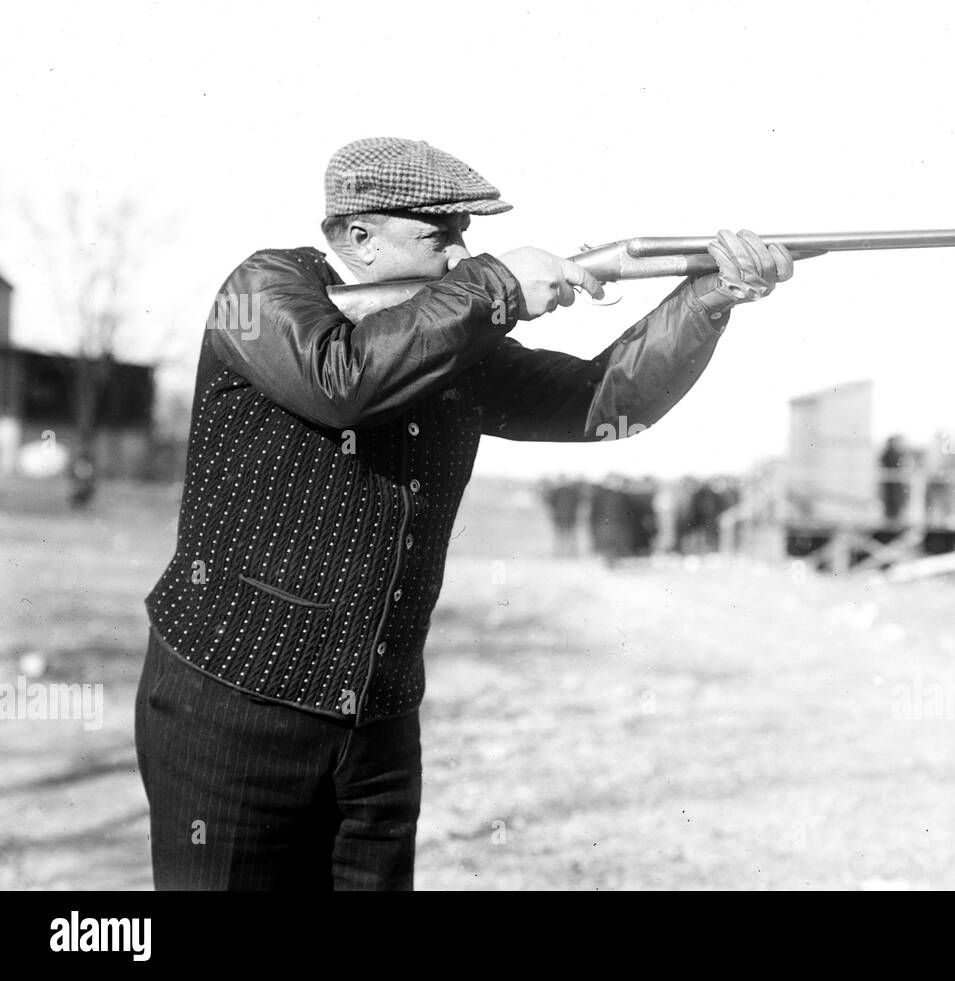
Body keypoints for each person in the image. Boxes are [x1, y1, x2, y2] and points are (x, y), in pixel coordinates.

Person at [135, 137, 794, 890]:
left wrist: (710, 295)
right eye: (437, 234)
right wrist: (498, 287)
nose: (458, 253)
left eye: (466, 238)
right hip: (231, 713)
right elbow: (341, 379)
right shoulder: (265, 288)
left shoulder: (454, 338)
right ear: (358, 238)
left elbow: (611, 402)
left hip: (378, 729)